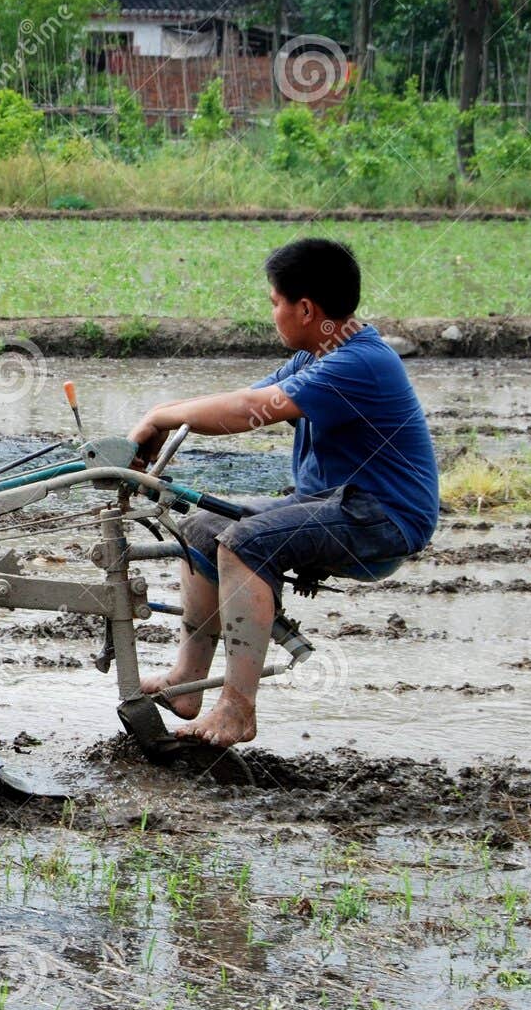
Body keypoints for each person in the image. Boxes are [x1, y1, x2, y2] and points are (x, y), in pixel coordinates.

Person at [127, 238, 439, 748]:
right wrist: (160, 415)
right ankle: (186, 681)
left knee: (244, 542)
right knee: (201, 529)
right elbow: (236, 399)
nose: (273, 314)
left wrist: (161, 416)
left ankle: (237, 709)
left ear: (306, 308)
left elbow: (251, 409)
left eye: (274, 303)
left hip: (382, 515)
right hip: (330, 503)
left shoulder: (356, 364)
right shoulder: (322, 354)